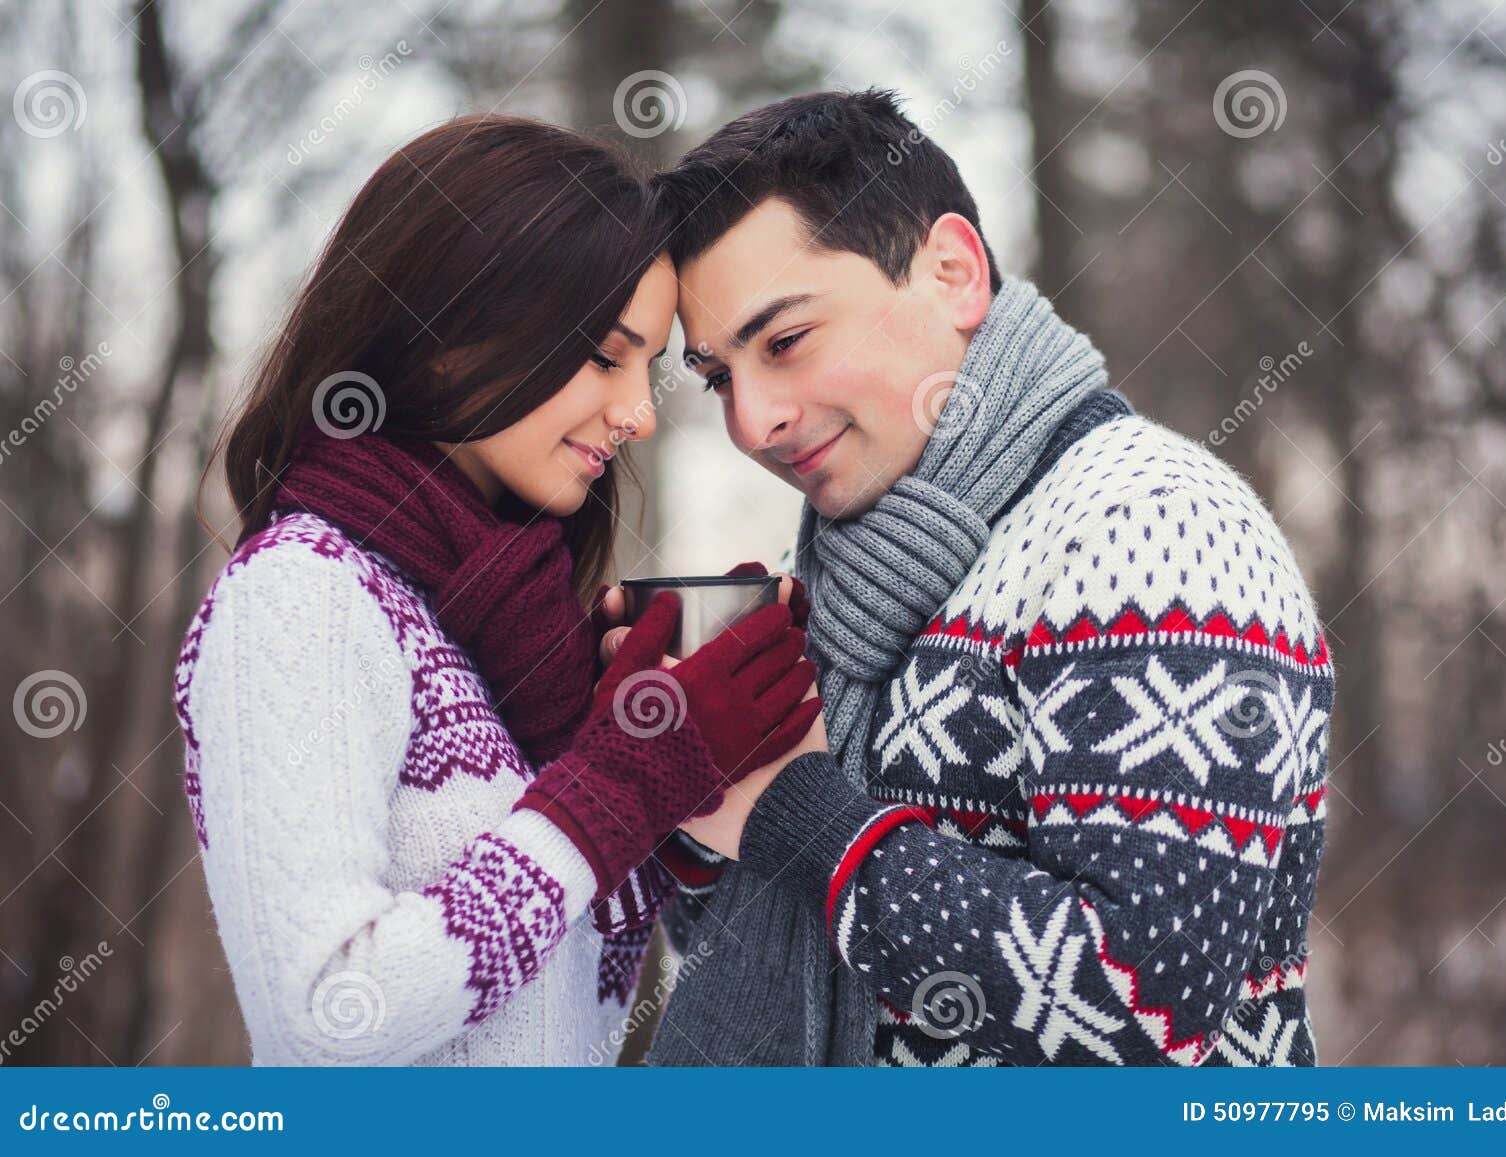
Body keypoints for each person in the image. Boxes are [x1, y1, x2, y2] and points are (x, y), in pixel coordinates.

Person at [639, 89, 1336, 1067]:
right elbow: (803, 965)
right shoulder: (848, 579)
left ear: (953, 272)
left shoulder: (1151, 522)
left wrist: (794, 815)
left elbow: (1144, 1002)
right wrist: (696, 804)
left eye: (786, 341)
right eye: (718, 376)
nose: (752, 420)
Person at [172, 114, 821, 1065]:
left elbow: (562, 976)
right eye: (606, 355)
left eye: (650, 369)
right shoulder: (302, 597)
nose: (638, 414)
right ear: (449, 337)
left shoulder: (513, 633)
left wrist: (694, 766)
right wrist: (613, 787)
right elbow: (322, 1018)